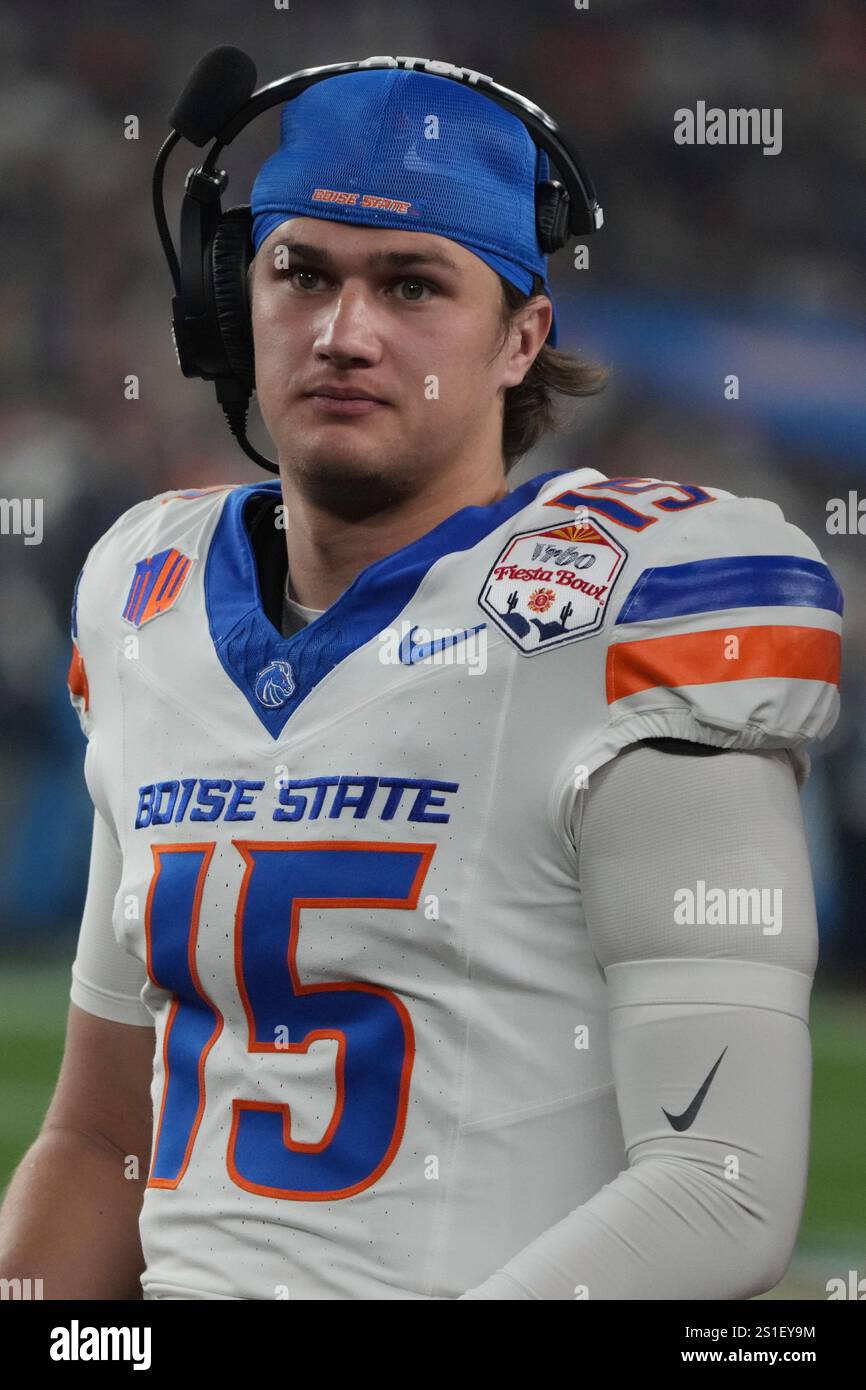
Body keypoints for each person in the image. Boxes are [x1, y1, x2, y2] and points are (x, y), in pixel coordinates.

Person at [0, 66, 842, 1300]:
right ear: (230, 306)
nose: (345, 331)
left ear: (519, 338)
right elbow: (100, 1142)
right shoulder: (148, 599)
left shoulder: (624, 605)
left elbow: (717, 1184)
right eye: (302, 274)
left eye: (410, 283)